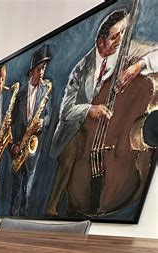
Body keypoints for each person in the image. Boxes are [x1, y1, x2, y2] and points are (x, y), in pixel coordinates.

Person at [46, 8, 158, 215]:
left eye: (123, 33)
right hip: (81, 130)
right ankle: (54, 204)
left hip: (114, 134)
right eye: (115, 36)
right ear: (100, 42)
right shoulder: (81, 69)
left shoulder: (128, 50)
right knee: (73, 146)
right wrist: (90, 109)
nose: (120, 40)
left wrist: (139, 65)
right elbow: (67, 110)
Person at [9, 45, 52, 216]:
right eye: (39, 69)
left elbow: (48, 116)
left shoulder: (46, 91)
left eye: (44, 68)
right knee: (15, 192)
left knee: (27, 194)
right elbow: (10, 123)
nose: (42, 73)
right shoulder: (19, 94)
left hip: (32, 152)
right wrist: (13, 146)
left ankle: (23, 222)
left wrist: (43, 122)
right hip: (18, 148)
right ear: (31, 71)